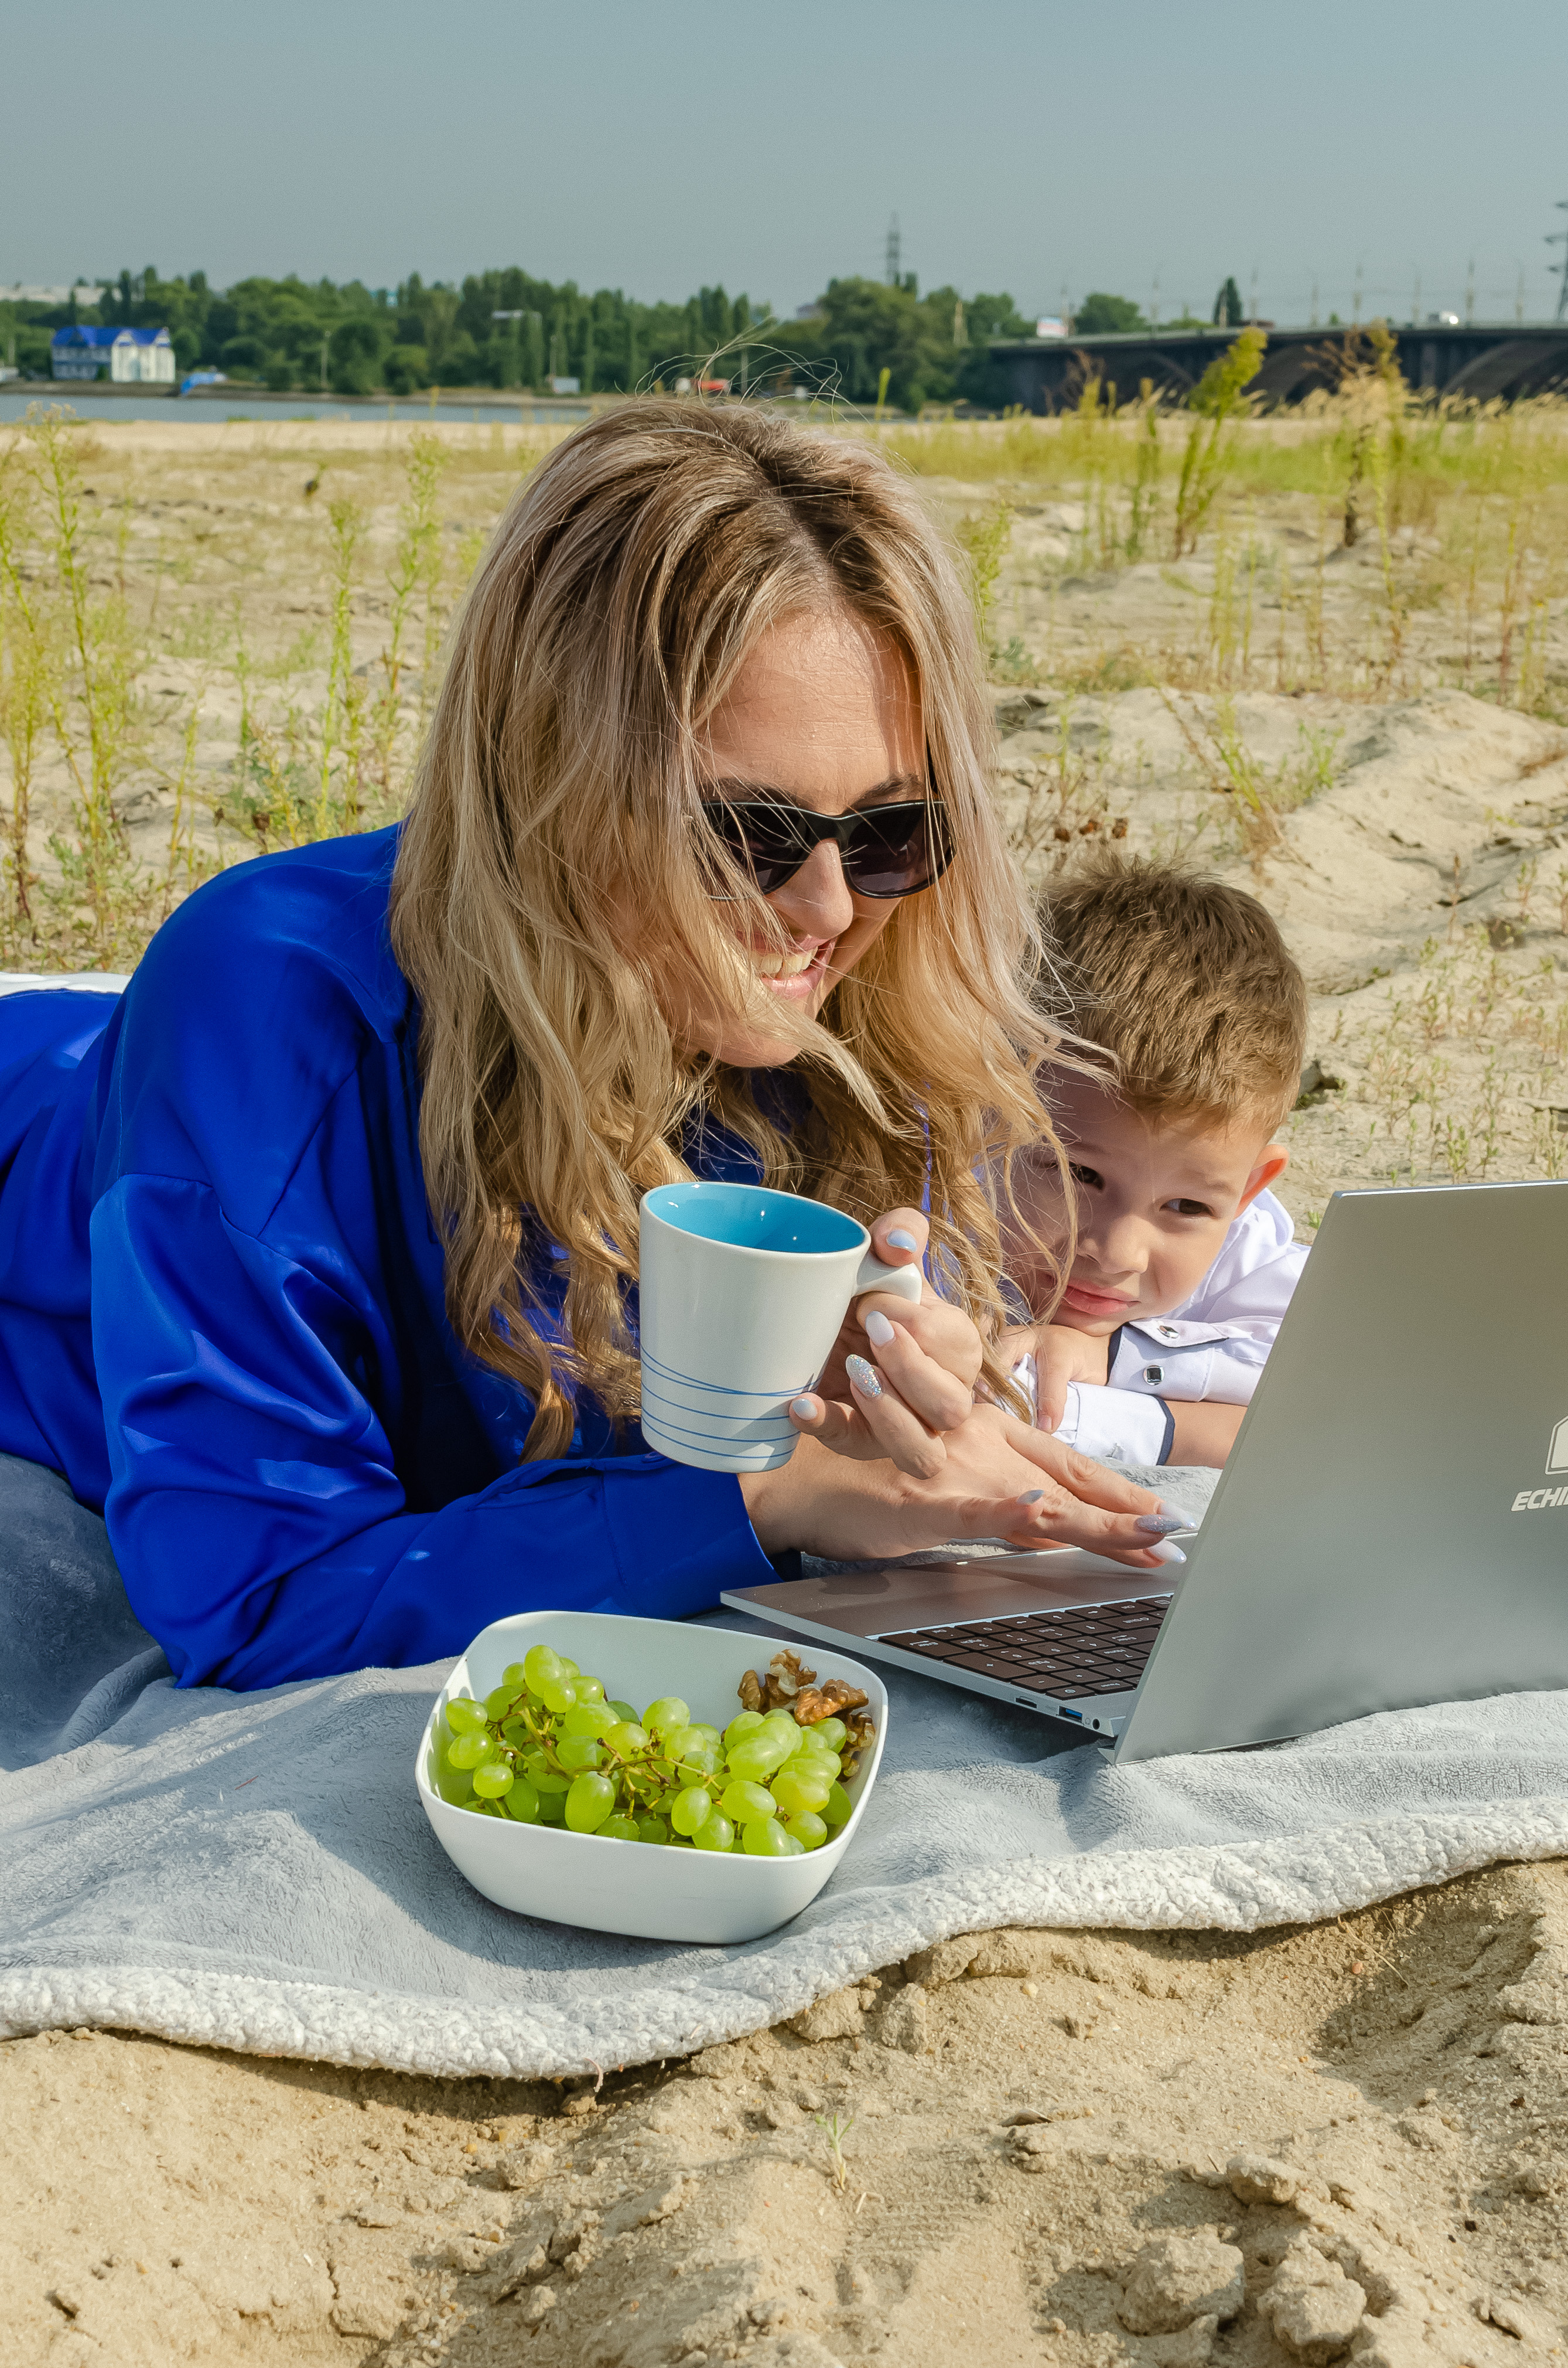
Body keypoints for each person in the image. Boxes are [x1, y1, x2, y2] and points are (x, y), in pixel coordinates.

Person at [0, 404, 1177, 1690]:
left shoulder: (873, 993)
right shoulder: (268, 1015)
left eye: (893, 829)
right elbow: (258, 1597)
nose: (833, 910)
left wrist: (885, 1395)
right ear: (547, 779)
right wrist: (757, 1496)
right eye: (743, 834)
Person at [1003, 854, 1309, 1468]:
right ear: (989, 1112)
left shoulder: (1243, 1246)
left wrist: (1119, 1359)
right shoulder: (941, 1215)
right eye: (1078, 1174)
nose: (1117, 1253)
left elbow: (1333, 1391)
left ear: (1249, 1190)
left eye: (1186, 1207)